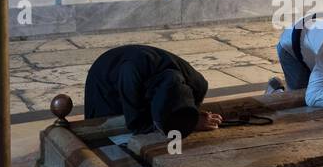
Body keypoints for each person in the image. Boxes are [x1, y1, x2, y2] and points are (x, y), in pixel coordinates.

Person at [84, 46, 222, 136]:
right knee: (108, 136)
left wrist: (190, 119)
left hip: (142, 68)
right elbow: (135, 124)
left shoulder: (198, 85)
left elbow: (182, 104)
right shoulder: (131, 77)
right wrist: (160, 127)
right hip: (105, 78)